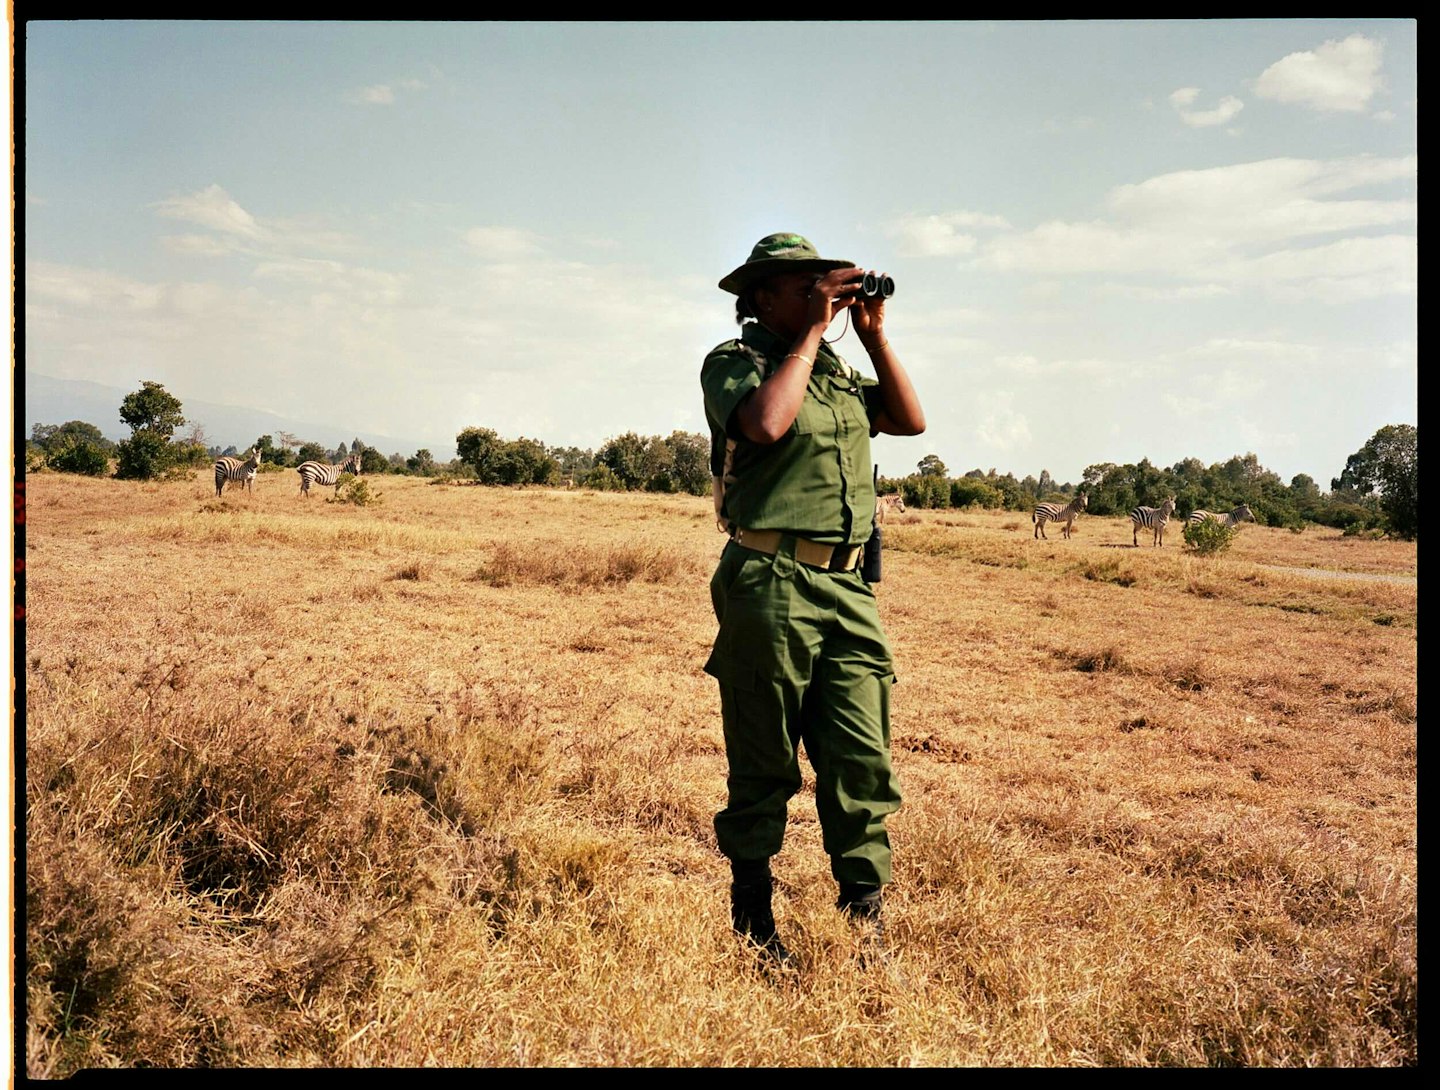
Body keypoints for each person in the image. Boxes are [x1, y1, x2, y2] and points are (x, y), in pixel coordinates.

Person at [700, 232, 926, 966]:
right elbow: (766, 423)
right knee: (765, 759)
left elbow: (909, 421)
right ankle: (753, 923)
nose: (818, 299)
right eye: (804, 288)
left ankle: (867, 923)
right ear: (763, 297)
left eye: (823, 288)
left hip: (847, 585)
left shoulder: (830, 374)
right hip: (770, 580)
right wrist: (813, 333)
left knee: (862, 759)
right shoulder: (740, 364)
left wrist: (873, 338)